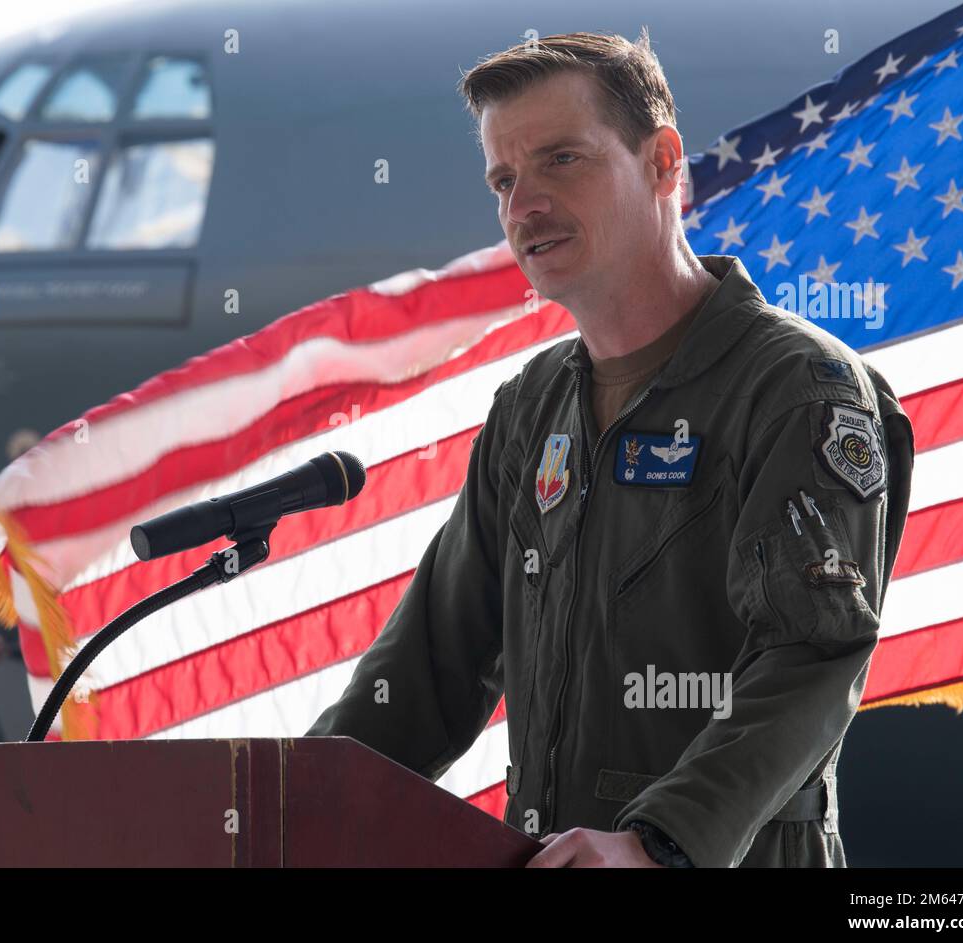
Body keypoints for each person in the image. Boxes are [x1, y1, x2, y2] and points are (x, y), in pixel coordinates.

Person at [306, 30, 914, 868]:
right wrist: (287, 807)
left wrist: (658, 843)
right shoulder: (529, 411)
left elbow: (810, 658)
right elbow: (426, 671)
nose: (525, 206)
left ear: (664, 162)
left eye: (562, 160)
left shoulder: (800, 389)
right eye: (504, 179)